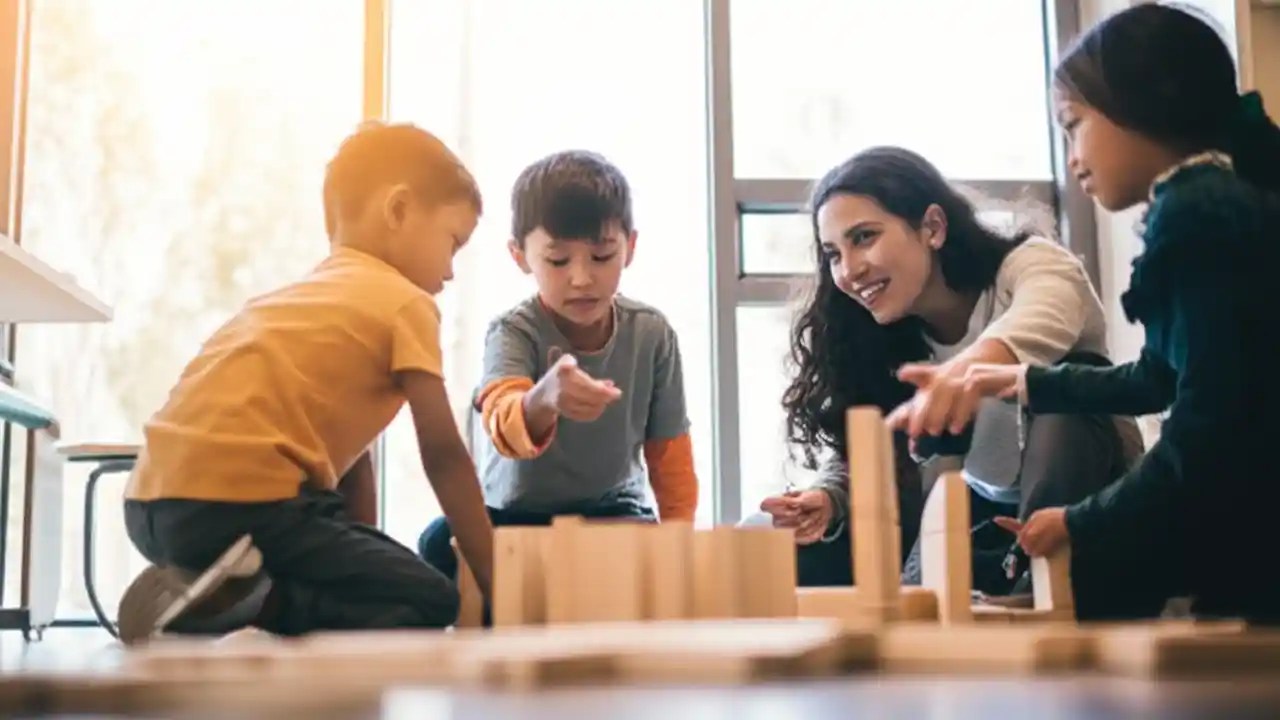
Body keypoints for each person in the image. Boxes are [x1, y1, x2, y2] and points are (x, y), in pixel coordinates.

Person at [955, 4, 1280, 621]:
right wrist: (1024, 381)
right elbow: (1159, 376)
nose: (1072, 155)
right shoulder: (1212, 200)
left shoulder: (1201, 217)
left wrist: (1081, 521)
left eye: (1074, 124)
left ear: (1144, 101)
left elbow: (1201, 432)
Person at [115, 122, 495, 644]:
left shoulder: (306, 299)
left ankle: (203, 584)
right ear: (398, 210)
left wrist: (361, 548)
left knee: (347, 549)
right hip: (242, 508)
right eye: (453, 242)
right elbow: (444, 454)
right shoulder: (406, 303)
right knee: (430, 600)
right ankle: (254, 601)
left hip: (151, 508)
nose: (451, 271)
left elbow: (352, 466)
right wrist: (497, 576)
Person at [760, 146, 1141, 594]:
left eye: (864, 237)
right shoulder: (887, 335)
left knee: (1070, 385)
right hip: (978, 524)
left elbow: (1044, 318)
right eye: (833, 253)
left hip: (1092, 508)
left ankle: (1036, 588)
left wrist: (959, 377)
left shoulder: (1032, 265)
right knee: (793, 549)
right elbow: (873, 439)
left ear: (933, 228)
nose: (848, 271)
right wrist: (829, 497)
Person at [417, 150, 698, 581]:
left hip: (614, 511)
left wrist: (679, 543)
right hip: (515, 514)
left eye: (602, 257)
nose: (582, 278)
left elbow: (670, 453)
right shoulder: (513, 331)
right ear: (520, 256)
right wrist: (543, 398)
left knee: (648, 558)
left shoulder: (652, 334)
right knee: (438, 543)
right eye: (558, 260)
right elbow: (501, 418)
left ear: (631, 247)